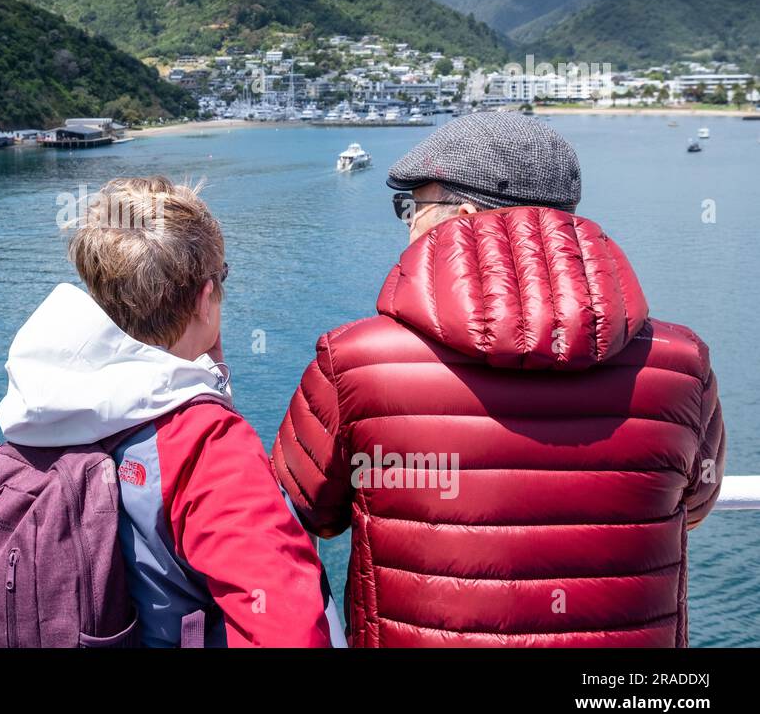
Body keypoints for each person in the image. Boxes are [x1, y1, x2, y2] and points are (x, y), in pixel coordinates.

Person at [273, 113, 726, 647]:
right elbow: (694, 503)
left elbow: (306, 510)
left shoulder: (354, 361)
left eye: (411, 207)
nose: (408, 225)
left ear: (461, 218)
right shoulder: (681, 363)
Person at [0, 176, 333, 647]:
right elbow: (285, 626)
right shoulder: (203, 442)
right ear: (205, 296)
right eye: (223, 279)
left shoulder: (39, 403)